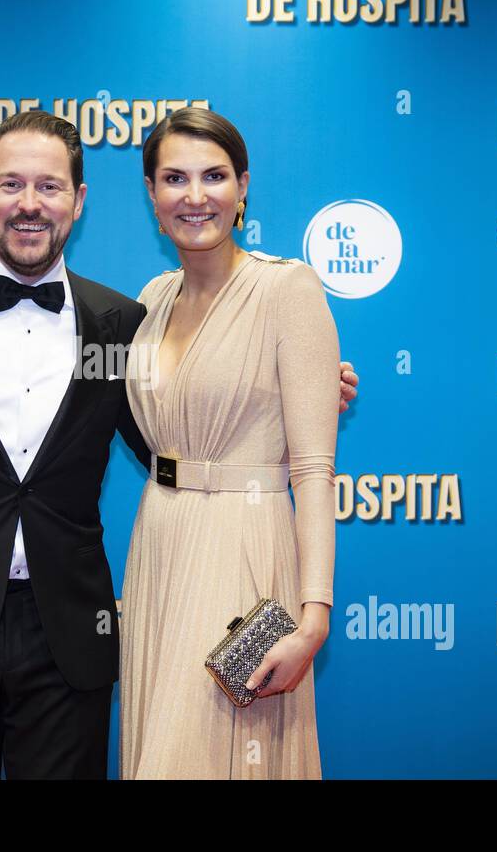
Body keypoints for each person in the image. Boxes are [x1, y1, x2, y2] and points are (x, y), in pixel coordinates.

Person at [0, 110, 356, 779]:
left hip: (128, 618)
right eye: (11, 186)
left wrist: (300, 396)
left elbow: (248, 453)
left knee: (226, 749)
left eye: (50, 187)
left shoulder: (127, 320)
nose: (29, 204)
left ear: (79, 201)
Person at [120, 108, 338, 778]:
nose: (195, 196)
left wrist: (313, 619)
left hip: (244, 547)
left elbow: (314, 468)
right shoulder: (151, 298)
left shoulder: (287, 287)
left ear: (243, 188)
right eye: (174, 178)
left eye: (214, 176)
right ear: (153, 197)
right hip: (158, 544)